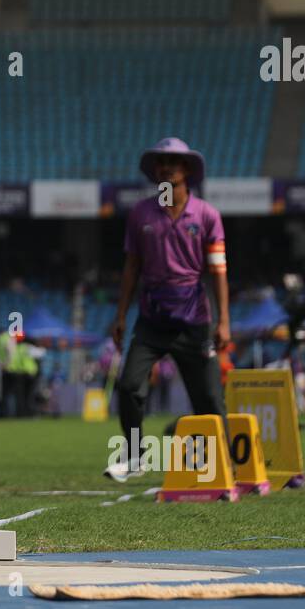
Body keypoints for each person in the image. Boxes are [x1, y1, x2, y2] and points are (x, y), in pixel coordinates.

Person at [107, 138, 230, 481]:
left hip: (195, 322)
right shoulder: (140, 214)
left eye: (174, 162)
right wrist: (119, 317)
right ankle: (134, 457)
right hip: (151, 321)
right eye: (161, 162)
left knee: (209, 400)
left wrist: (224, 322)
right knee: (129, 385)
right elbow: (131, 268)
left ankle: (225, 465)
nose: (166, 168)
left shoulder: (207, 215)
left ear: (187, 169)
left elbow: (218, 271)